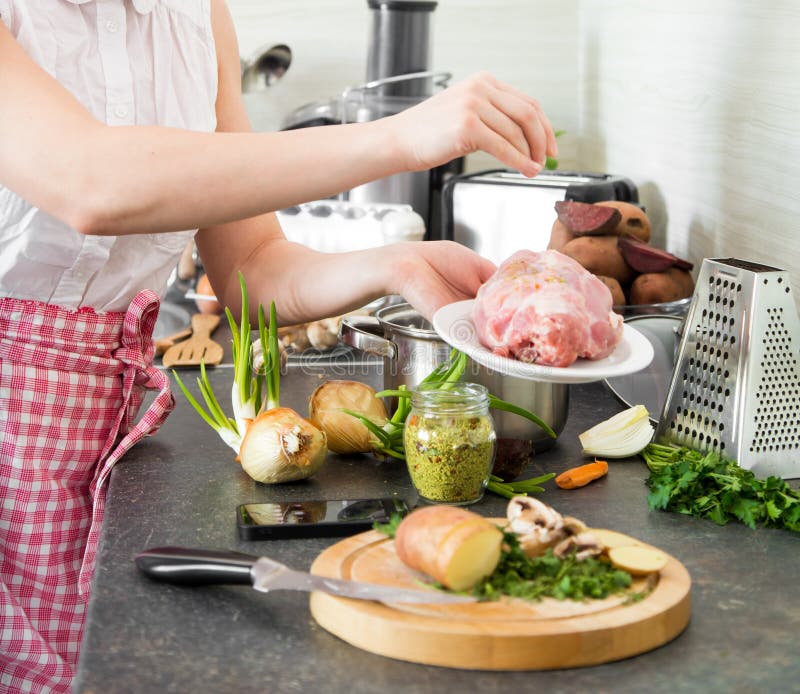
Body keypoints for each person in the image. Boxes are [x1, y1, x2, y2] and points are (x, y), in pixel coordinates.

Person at [0, 1, 556, 690]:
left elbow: (252, 266)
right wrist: (399, 136)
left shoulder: (196, 15)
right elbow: (90, 181)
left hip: (97, 447)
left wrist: (393, 266)